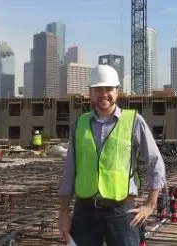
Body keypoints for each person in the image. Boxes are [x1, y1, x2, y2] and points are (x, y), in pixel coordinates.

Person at [58, 64, 166, 246]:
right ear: (90, 93)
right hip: (85, 212)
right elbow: (70, 172)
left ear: (117, 91)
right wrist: (63, 213)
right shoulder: (80, 124)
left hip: (122, 211)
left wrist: (150, 205)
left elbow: (155, 162)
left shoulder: (133, 121)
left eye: (108, 89)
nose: (103, 94)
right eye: (98, 89)